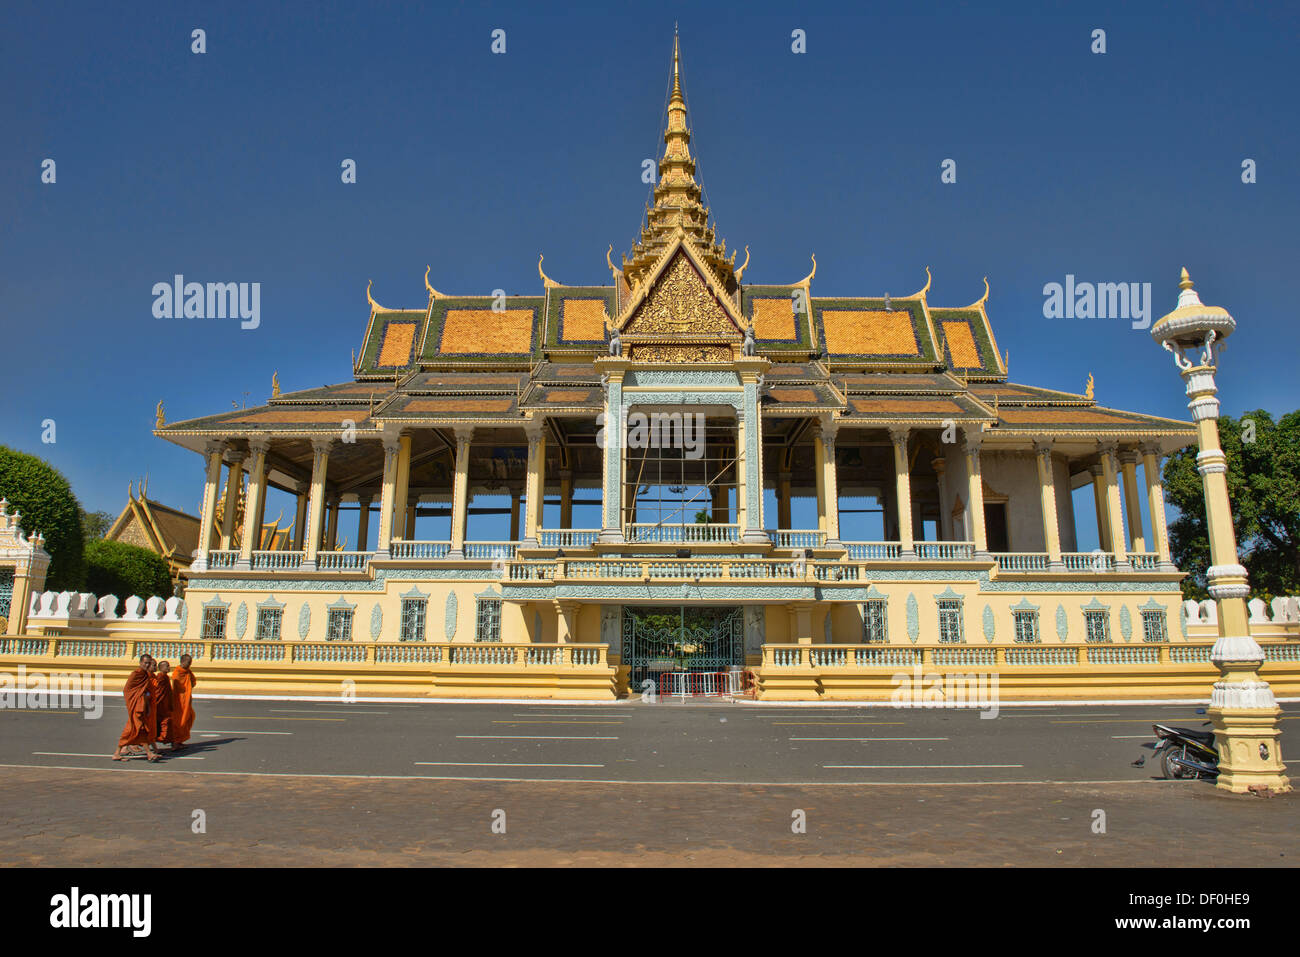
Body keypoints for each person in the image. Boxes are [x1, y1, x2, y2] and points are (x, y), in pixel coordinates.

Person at [113, 655, 158, 762]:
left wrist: (146, 702)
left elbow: (145, 690)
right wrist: (138, 699)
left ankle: (117, 753)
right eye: (145, 663)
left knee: (133, 729)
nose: (147, 665)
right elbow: (128, 690)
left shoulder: (146, 675)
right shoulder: (136, 674)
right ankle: (149, 753)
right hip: (137, 705)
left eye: (148, 663)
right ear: (140, 662)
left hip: (141, 705)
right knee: (140, 729)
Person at [170, 654, 198, 750]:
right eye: (188, 662)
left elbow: (193, 682)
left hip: (186, 700)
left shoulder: (188, 672)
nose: (189, 664)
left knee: (189, 717)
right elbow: (177, 687)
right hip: (178, 701)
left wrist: (188, 690)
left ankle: (180, 741)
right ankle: (175, 743)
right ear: (182, 662)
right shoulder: (177, 672)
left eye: (190, 662)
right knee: (179, 721)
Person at [154, 660, 175, 748]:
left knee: (168, 723)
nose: (169, 667)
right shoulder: (160, 677)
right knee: (164, 724)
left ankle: (172, 742)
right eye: (167, 666)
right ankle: (166, 740)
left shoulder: (165, 677)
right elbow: (157, 691)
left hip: (165, 705)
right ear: (161, 667)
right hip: (160, 705)